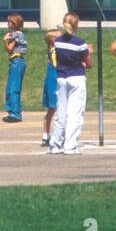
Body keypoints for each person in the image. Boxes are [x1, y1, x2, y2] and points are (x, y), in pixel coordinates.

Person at [47, 13, 91, 155]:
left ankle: (55, 144)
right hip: (76, 78)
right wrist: (86, 55)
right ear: (76, 24)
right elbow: (88, 64)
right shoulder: (80, 43)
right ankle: (70, 145)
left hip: (61, 78)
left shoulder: (58, 41)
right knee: (75, 113)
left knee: (61, 113)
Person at [1, 14, 27, 123]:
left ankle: (15, 114)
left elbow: (9, 49)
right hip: (16, 61)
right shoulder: (17, 34)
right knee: (11, 88)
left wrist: (5, 41)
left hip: (16, 61)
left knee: (13, 88)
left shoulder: (16, 35)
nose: (8, 24)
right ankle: (12, 112)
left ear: (15, 23)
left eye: (10, 22)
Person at [40, 29, 60, 147]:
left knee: (51, 111)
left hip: (51, 81)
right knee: (55, 110)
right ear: (54, 40)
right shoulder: (54, 52)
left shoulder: (52, 51)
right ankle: (49, 136)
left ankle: (46, 135)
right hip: (54, 81)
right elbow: (56, 65)